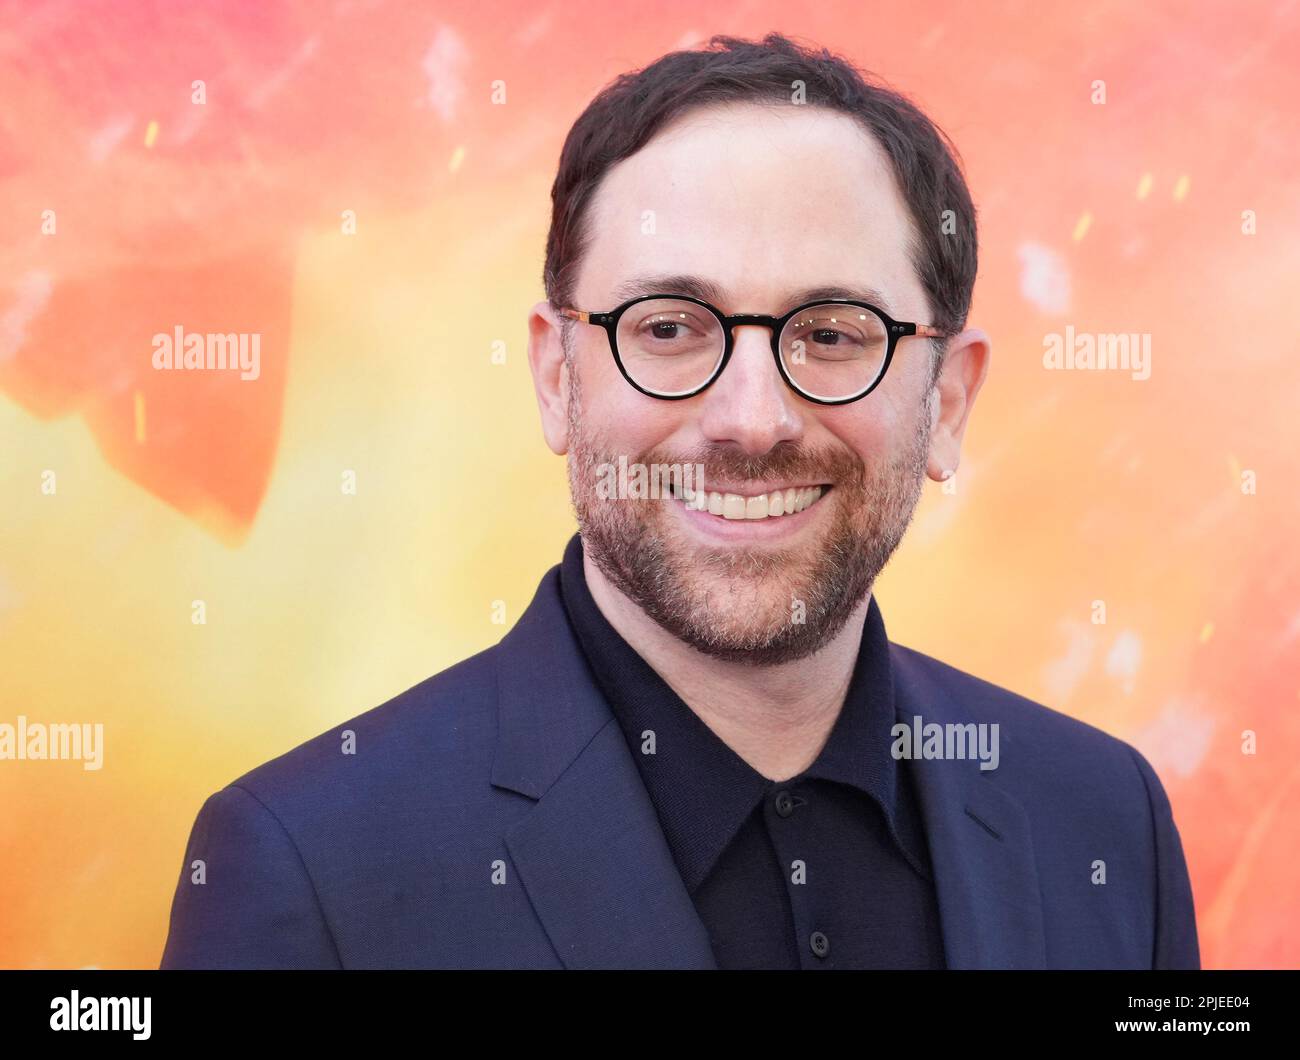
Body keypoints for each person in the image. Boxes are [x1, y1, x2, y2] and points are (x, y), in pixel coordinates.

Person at [160, 32, 1199, 969]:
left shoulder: (1108, 825)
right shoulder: (307, 865)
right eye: (668, 327)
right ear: (556, 377)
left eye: (832, 333)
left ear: (950, 400)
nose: (752, 420)